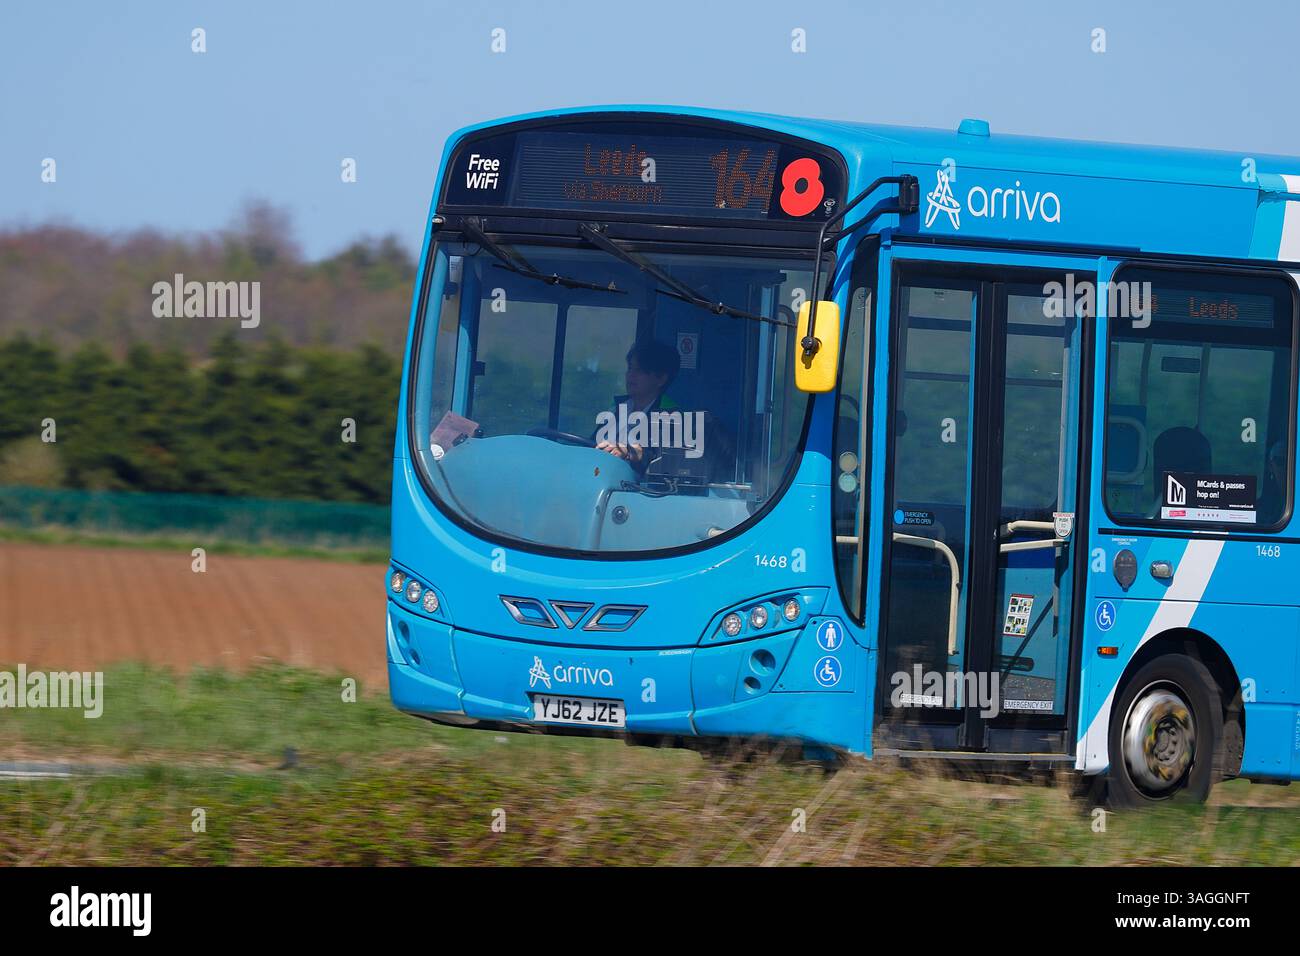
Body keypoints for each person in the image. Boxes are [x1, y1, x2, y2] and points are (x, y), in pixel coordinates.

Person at [595, 339, 680, 472]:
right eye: (630, 368)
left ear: (661, 379)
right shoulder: (617, 408)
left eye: (640, 370)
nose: (631, 375)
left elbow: (660, 460)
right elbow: (592, 444)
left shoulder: (673, 418)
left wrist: (631, 453)